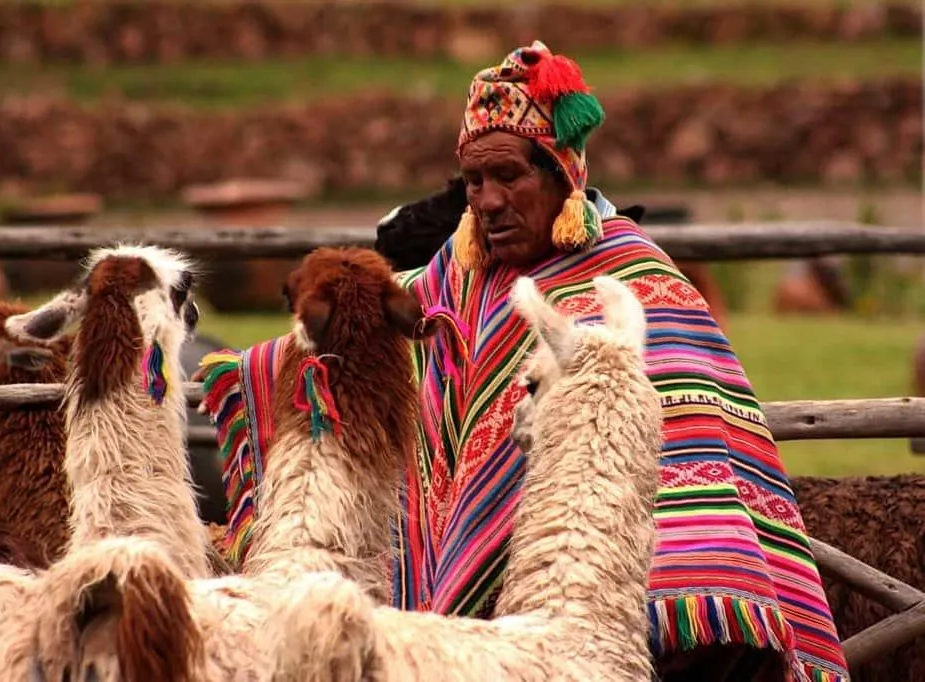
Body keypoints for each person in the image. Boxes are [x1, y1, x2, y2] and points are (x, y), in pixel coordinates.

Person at [196, 41, 849, 682]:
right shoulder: (463, 272)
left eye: (508, 175)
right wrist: (250, 368)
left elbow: (687, 461)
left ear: (562, 174)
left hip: (630, 621)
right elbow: (376, 322)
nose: (487, 200)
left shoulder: (637, 284)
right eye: (474, 181)